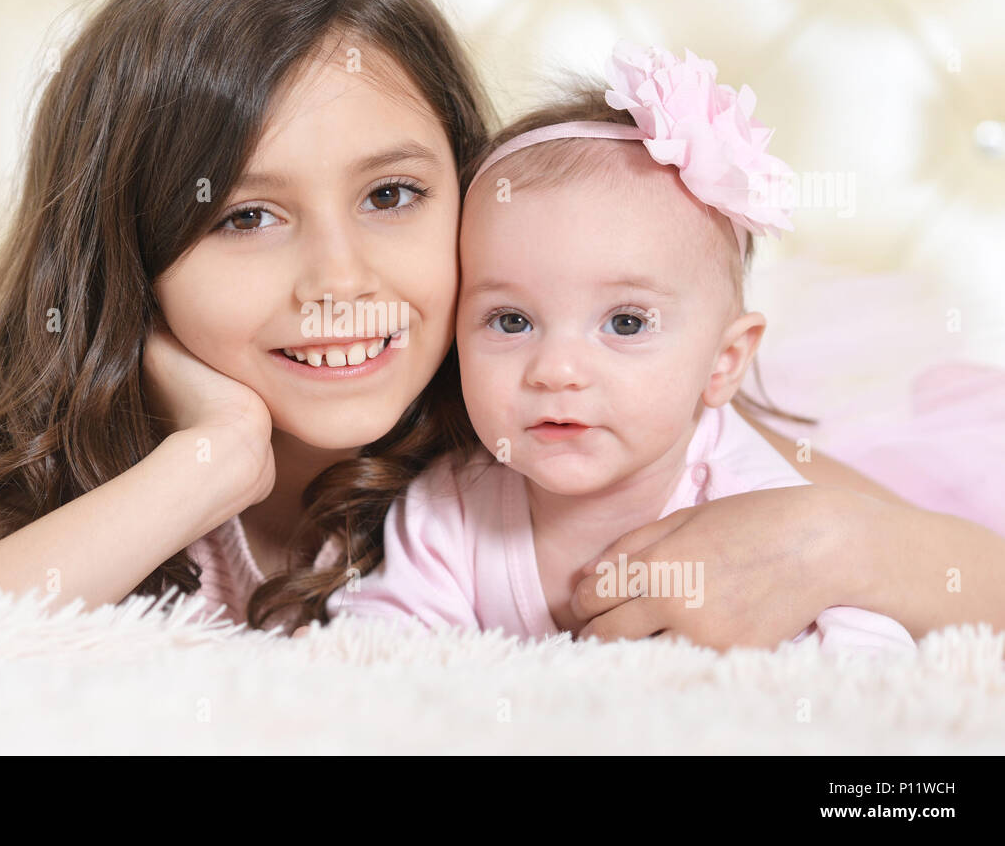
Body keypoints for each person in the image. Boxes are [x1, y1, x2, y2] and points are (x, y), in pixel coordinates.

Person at [0, 0, 1001, 649]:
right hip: (132, 412)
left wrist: (844, 538)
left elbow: (959, 567)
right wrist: (207, 463)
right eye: (248, 216)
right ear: (134, 261)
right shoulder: (125, 448)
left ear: (471, 191)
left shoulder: (557, 405)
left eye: (392, 196)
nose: (342, 280)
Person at [324, 42, 919, 653]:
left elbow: (867, 660)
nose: (555, 371)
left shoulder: (754, 511)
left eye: (627, 324)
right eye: (510, 321)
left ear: (725, 361)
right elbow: (377, 658)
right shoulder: (450, 508)